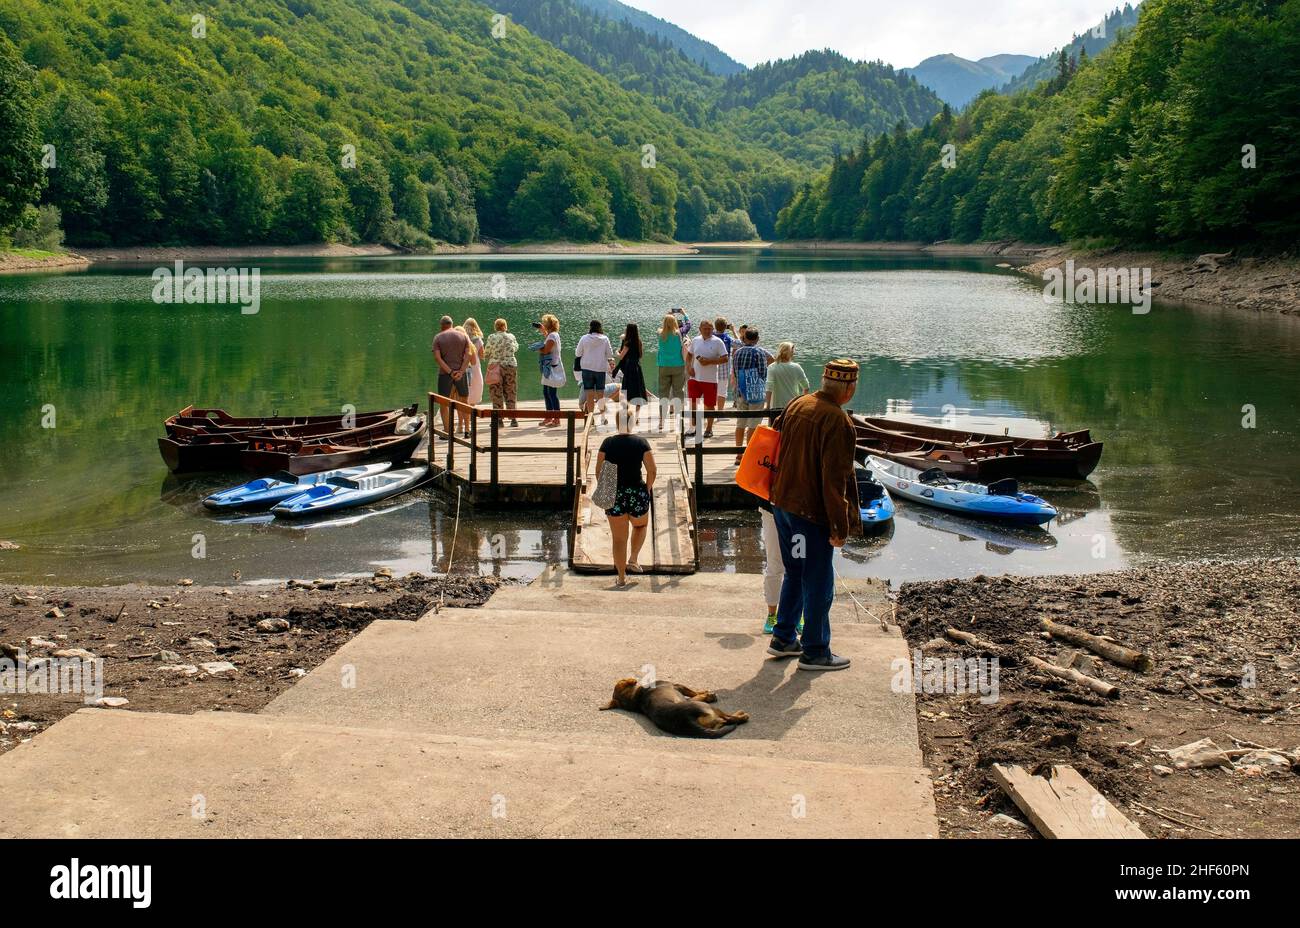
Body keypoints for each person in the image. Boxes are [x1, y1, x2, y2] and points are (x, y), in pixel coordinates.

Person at [767, 359, 861, 672]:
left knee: (795, 571)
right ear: (849, 388)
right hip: (810, 515)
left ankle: (783, 638)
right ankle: (816, 650)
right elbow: (835, 480)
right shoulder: (837, 420)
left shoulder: (797, 404)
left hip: (784, 507)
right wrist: (839, 526)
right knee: (819, 580)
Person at [596, 423, 657, 587]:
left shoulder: (607, 443)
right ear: (633, 421)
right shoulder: (641, 442)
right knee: (641, 526)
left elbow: (598, 470)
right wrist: (647, 489)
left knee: (619, 539)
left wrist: (606, 489)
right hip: (636, 491)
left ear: (617, 423)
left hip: (615, 494)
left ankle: (621, 578)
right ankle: (633, 559)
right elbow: (652, 470)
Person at [731, 326, 770, 464]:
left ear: (744, 338)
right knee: (753, 424)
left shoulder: (737, 352)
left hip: (741, 391)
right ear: (757, 339)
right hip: (756, 392)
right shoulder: (759, 352)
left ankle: (738, 455)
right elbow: (763, 373)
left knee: (740, 423)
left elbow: (735, 372)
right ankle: (748, 454)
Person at [684, 318, 728, 438]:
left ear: (713, 329)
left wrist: (709, 362)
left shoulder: (718, 342)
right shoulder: (695, 340)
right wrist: (688, 368)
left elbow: (725, 358)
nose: (708, 331)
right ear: (700, 329)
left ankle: (708, 429)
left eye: (710, 329)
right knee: (693, 403)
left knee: (709, 405)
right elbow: (689, 355)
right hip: (694, 378)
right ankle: (694, 428)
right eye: (705, 329)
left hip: (710, 379)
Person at [432, 314, 471, 437]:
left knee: (444, 402)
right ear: (452, 324)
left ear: (442, 325)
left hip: (445, 374)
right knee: (464, 401)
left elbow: (438, 358)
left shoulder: (438, 338)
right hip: (461, 374)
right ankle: (467, 430)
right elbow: (468, 355)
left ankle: (447, 431)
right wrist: (461, 371)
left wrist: (450, 372)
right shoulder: (464, 336)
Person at [482, 318, 520, 427]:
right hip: (510, 365)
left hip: (495, 366)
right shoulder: (511, 336)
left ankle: (498, 420)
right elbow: (516, 348)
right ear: (505, 327)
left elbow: (487, 352)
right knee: (510, 390)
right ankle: (513, 419)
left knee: (496, 392)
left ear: (495, 327)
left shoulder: (491, 337)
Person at [575, 320, 615, 415]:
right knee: (600, 395)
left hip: (587, 369)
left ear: (590, 327)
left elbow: (578, 353)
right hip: (600, 369)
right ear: (600, 328)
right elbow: (610, 354)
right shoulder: (605, 339)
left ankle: (590, 417)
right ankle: (602, 416)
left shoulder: (584, 338)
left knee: (589, 394)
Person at [656, 313, 687, 430]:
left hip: (663, 365)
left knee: (663, 393)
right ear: (675, 323)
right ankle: (680, 419)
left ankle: (661, 421)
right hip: (678, 365)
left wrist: (667, 314)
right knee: (678, 392)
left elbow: (660, 329)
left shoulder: (659, 333)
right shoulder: (678, 333)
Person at [613, 323, 648, 427]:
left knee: (625, 392)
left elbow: (621, 356)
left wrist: (616, 352)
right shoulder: (639, 342)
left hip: (629, 368)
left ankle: (626, 415)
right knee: (638, 392)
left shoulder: (628, 343)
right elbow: (640, 355)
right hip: (637, 367)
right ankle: (636, 417)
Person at [533, 314, 563, 427]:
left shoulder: (552, 336)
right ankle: (549, 416)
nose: (543, 324)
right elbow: (548, 340)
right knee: (547, 392)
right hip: (550, 367)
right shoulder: (553, 335)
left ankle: (556, 418)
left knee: (551, 393)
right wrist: (542, 331)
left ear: (548, 324)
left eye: (544, 323)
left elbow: (546, 350)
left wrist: (536, 347)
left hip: (552, 368)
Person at [766, 341, 811, 418]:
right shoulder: (796, 367)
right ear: (791, 353)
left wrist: (767, 406)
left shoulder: (772, 367)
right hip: (793, 406)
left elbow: (769, 388)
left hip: (776, 406)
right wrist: (802, 403)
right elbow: (806, 387)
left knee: (774, 428)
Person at [713, 316, 735, 428]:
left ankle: (710, 413)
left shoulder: (710, 336)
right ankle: (720, 414)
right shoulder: (728, 338)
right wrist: (733, 331)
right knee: (722, 391)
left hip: (712, 368)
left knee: (713, 391)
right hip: (724, 368)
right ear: (725, 327)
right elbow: (740, 344)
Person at [463, 318, 486, 407]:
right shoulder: (478, 340)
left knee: (465, 387)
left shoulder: (462, 338)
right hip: (475, 365)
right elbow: (482, 355)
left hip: (464, 365)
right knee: (475, 386)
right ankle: (472, 409)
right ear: (475, 327)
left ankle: (465, 408)